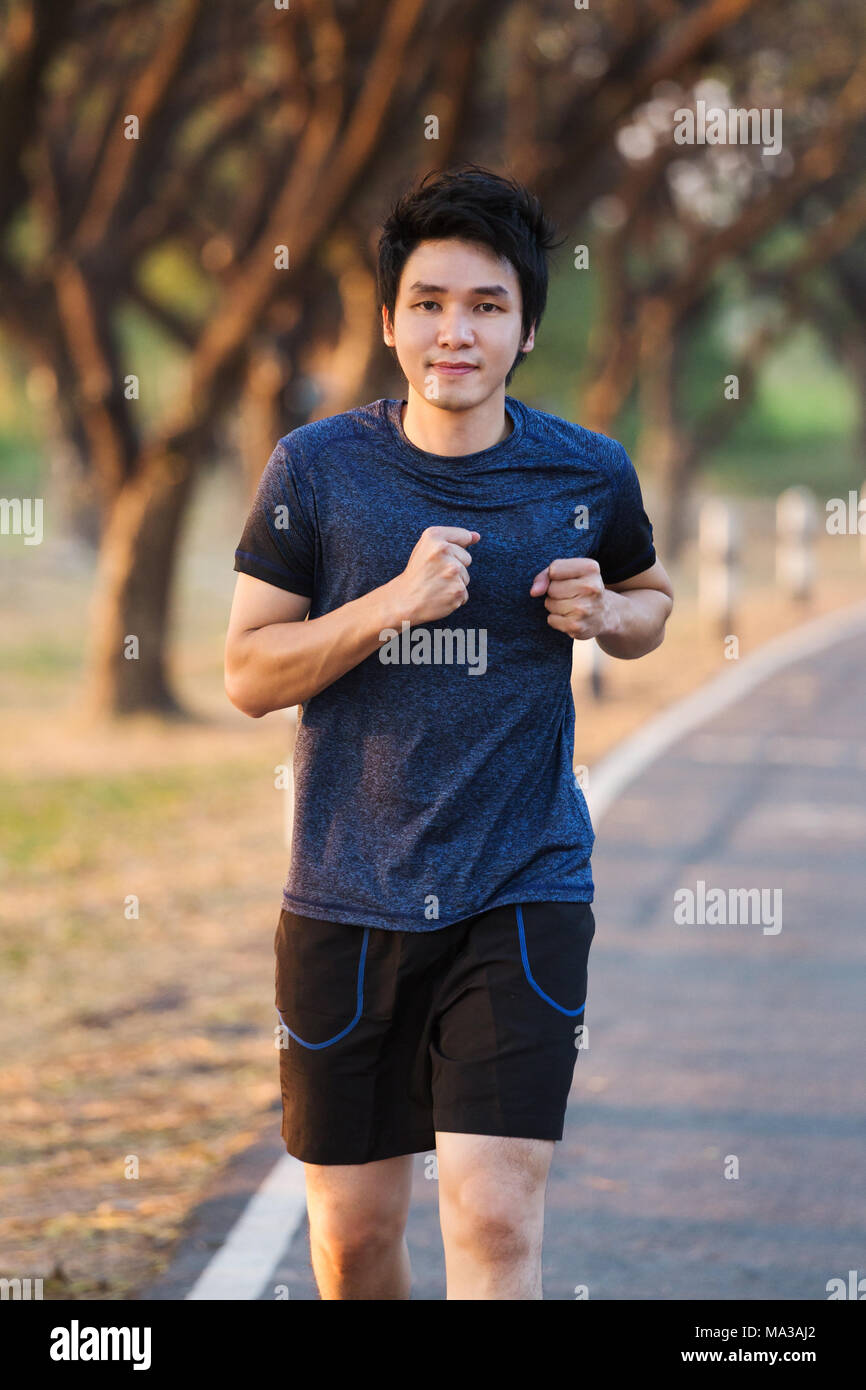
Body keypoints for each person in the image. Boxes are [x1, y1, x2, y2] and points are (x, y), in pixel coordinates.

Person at [224, 163, 674, 1299]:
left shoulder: (585, 469)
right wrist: (387, 605)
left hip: (520, 886)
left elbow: (650, 599)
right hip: (342, 893)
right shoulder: (316, 471)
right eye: (428, 303)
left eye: (484, 306)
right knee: (354, 1241)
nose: (453, 332)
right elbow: (246, 671)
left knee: (490, 1219)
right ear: (388, 322)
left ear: (524, 327)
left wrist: (613, 614)